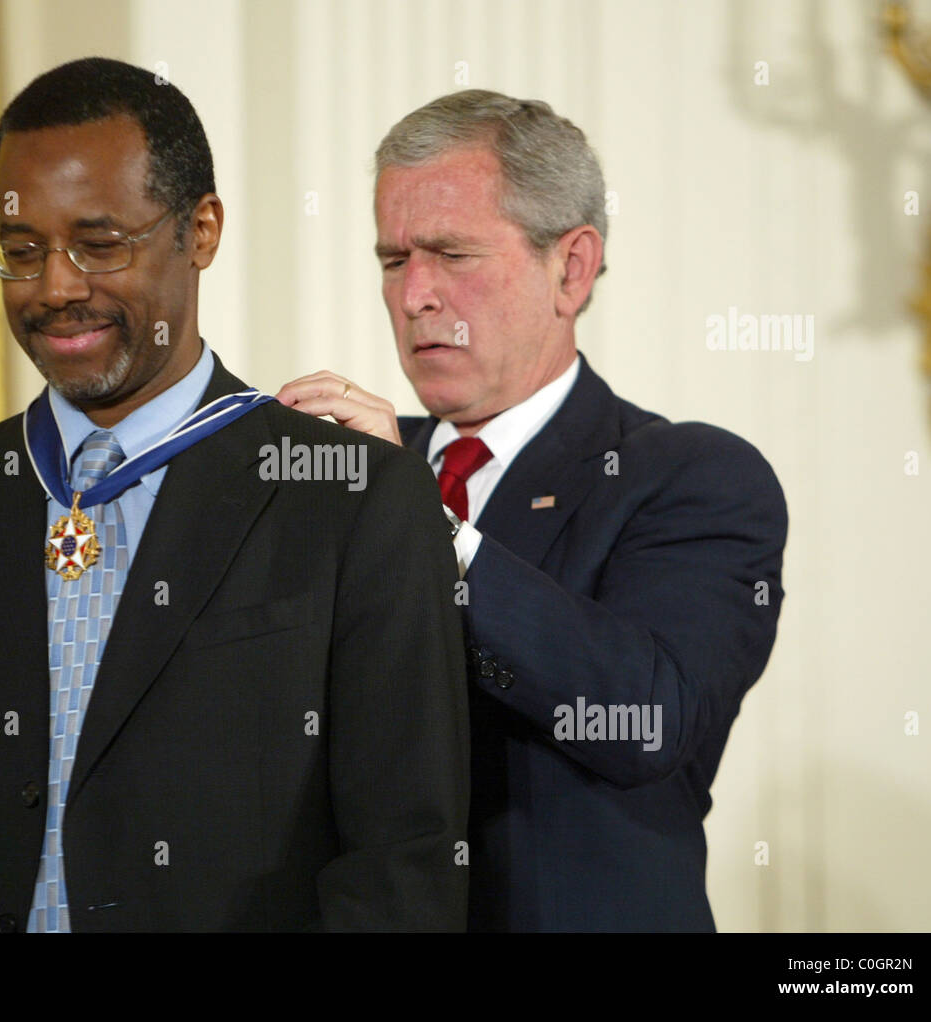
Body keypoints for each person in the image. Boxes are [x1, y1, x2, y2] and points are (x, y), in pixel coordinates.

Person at [0, 58, 469, 933]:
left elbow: (403, 874)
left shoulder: (352, 498)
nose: (56, 287)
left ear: (200, 231)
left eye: (99, 244)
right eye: (21, 252)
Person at [277, 89, 787, 932]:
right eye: (394, 260)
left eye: (450, 252)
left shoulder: (690, 476)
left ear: (571, 268)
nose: (414, 296)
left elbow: (644, 717)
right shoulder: (345, 472)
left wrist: (414, 515)